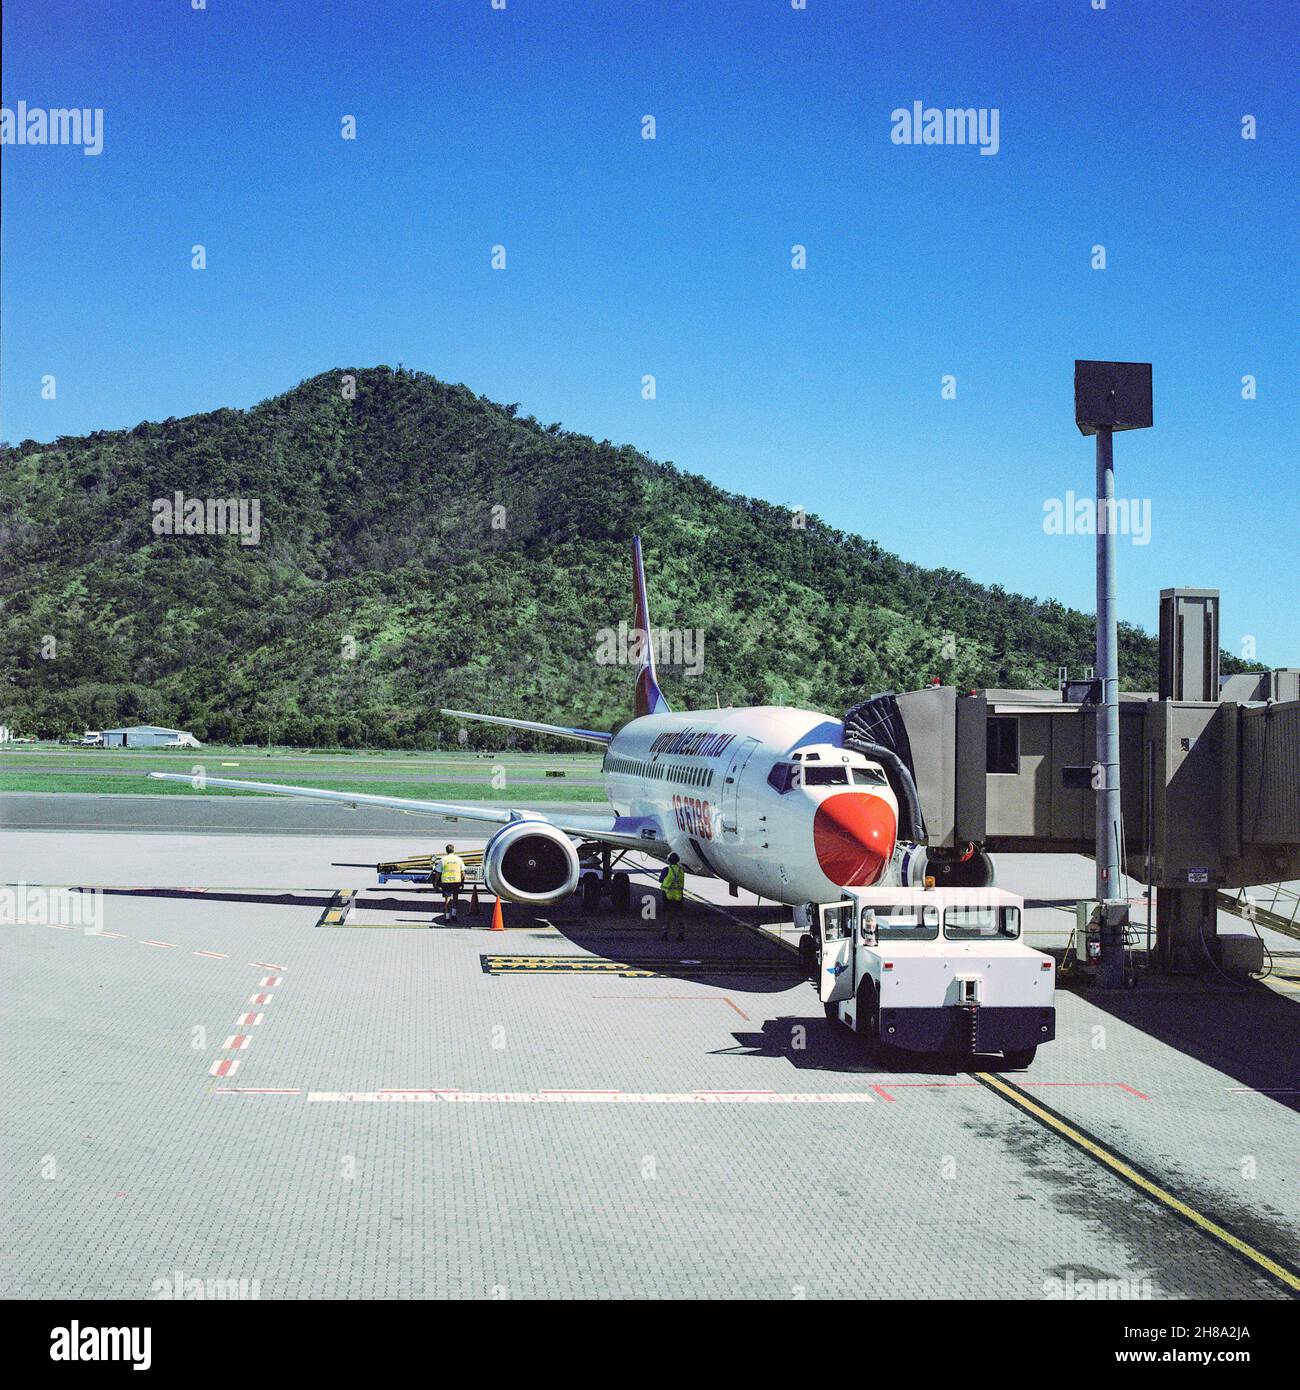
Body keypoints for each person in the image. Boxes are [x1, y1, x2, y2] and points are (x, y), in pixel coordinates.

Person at [659, 853, 685, 942]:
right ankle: (680, 934)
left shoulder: (666, 870)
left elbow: (661, 880)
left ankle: (665, 934)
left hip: (668, 896)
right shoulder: (681, 870)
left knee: (667, 916)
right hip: (678, 896)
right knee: (679, 916)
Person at [436, 843, 465, 924]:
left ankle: (447, 917)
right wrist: (463, 881)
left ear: (446, 851)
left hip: (446, 882)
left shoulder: (443, 860)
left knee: (447, 900)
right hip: (456, 881)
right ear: (453, 850)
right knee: (455, 899)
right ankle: (454, 916)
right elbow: (462, 872)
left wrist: (436, 882)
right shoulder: (459, 859)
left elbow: (438, 872)